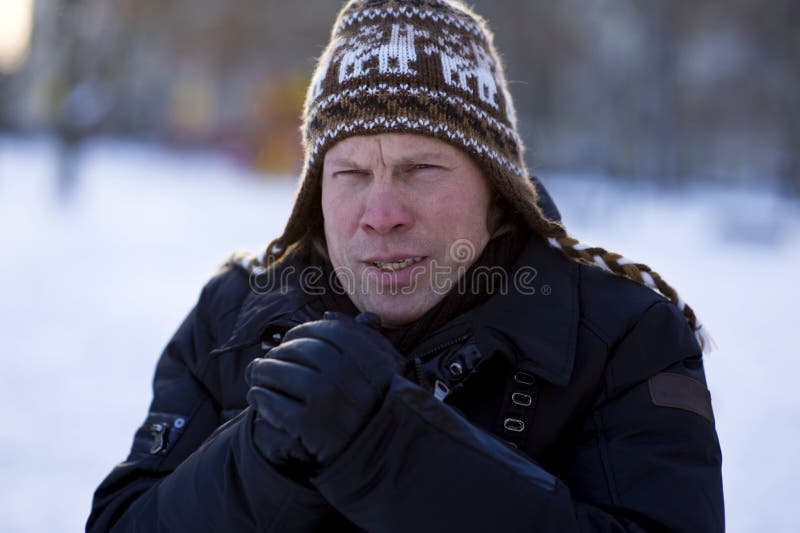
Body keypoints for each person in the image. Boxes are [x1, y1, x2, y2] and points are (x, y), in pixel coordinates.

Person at [87, 1, 724, 531]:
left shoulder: (624, 336)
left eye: (421, 169)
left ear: (495, 189)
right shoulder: (230, 316)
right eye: (352, 173)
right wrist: (260, 458)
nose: (382, 212)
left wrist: (389, 445)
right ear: (316, 193)